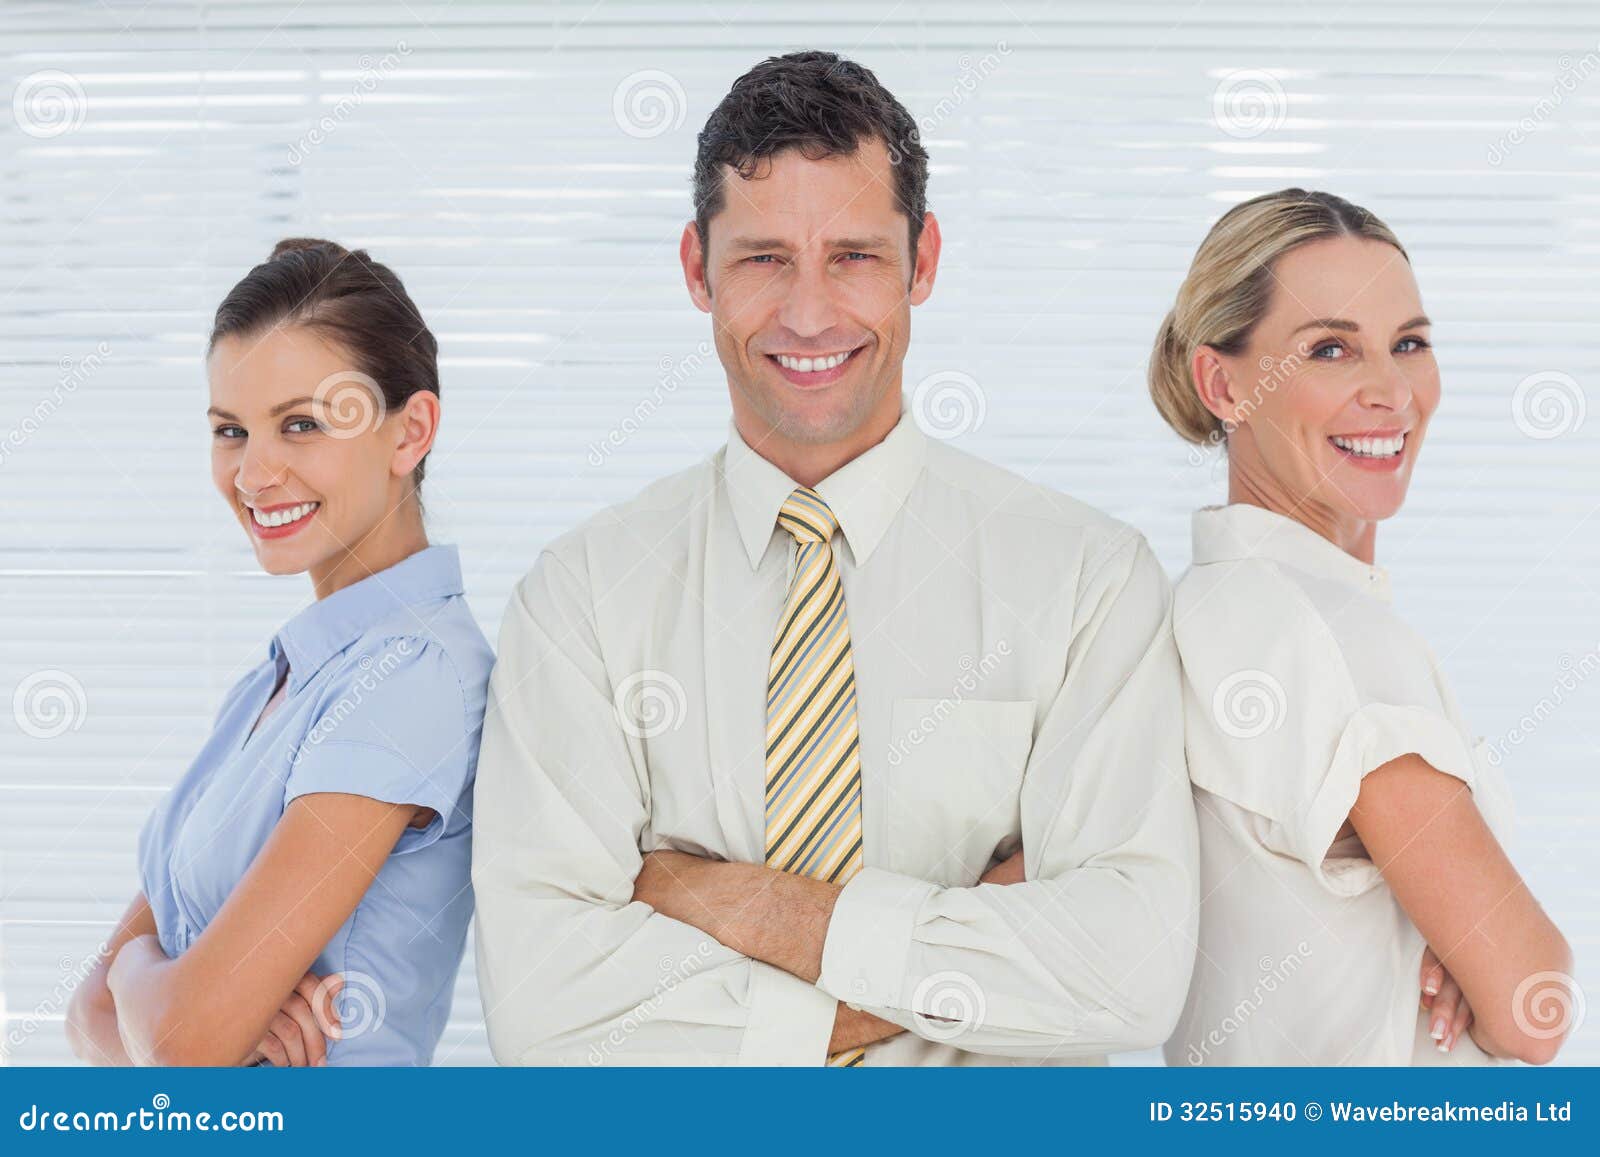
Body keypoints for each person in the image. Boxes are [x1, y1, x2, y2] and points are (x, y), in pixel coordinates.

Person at [471, 51, 1198, 1066]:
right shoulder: (582, 598)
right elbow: (548, 1011)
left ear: (923, 259)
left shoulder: (1085, 581)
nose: (808, 314)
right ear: (696, 269)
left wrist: (742, 903)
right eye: (764, 258)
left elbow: (1128, 971)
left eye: (852, 255)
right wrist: (953, 955)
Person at [1151, 189, 1574, 1065]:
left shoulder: (1187, 614)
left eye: (1409, 343)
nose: (1390, 391)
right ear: (1222, 382)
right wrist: (1478, 949)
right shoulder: (1332, 638)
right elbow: (1537, 1010)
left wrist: (1456, 937)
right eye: (1330, 348)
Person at [65, 239, 493, 1066]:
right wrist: (154, 994)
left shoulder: (414, 675)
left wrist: (138, 982)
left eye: (300, 423)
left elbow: (178, 1044)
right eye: (231, 430)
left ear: (411, 432)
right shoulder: (278, 680)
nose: (253, 473)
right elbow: (86, 1020)